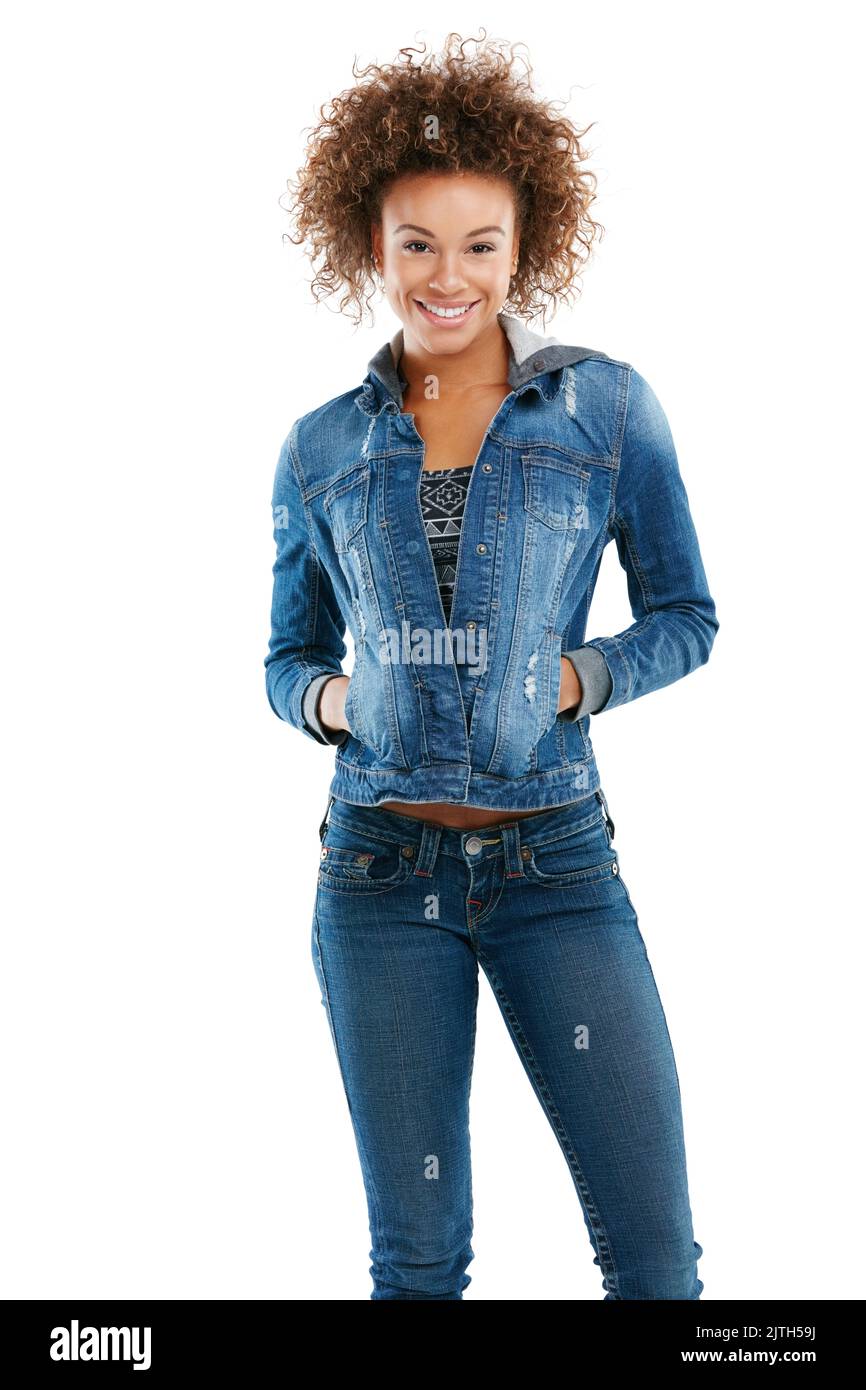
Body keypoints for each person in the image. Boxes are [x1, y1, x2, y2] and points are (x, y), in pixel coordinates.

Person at [265, 32, 718, 1299]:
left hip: (555, 869)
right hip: (377, 877)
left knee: (654, 1263)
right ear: (372, 248)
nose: (447, 277)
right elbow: (285, 656)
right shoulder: (317, 449)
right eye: (417, 244)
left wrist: (577, 679)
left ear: (524, 250)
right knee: (416, 1265)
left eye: (479, 245)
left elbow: (685, 613)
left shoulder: (606, 410)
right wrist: (329, 700)